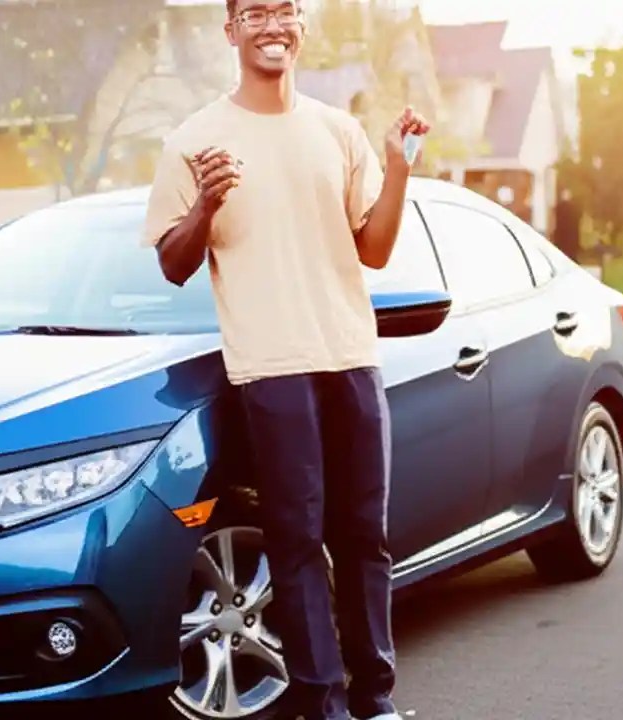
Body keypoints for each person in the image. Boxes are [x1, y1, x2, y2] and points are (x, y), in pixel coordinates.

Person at [141, 1, 430, 719]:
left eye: (286, 10)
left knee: (365, 538)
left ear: (303, 25)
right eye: (256, 13)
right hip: (270, 368)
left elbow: (376, 249)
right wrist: (205, 205)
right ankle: (322, 703)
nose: (273, 25)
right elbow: (174, 265)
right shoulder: (194, 139)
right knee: (298, 542)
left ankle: (378, 701)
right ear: (231, 31)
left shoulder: (337, 129)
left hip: (351, 357)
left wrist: (397, 169)